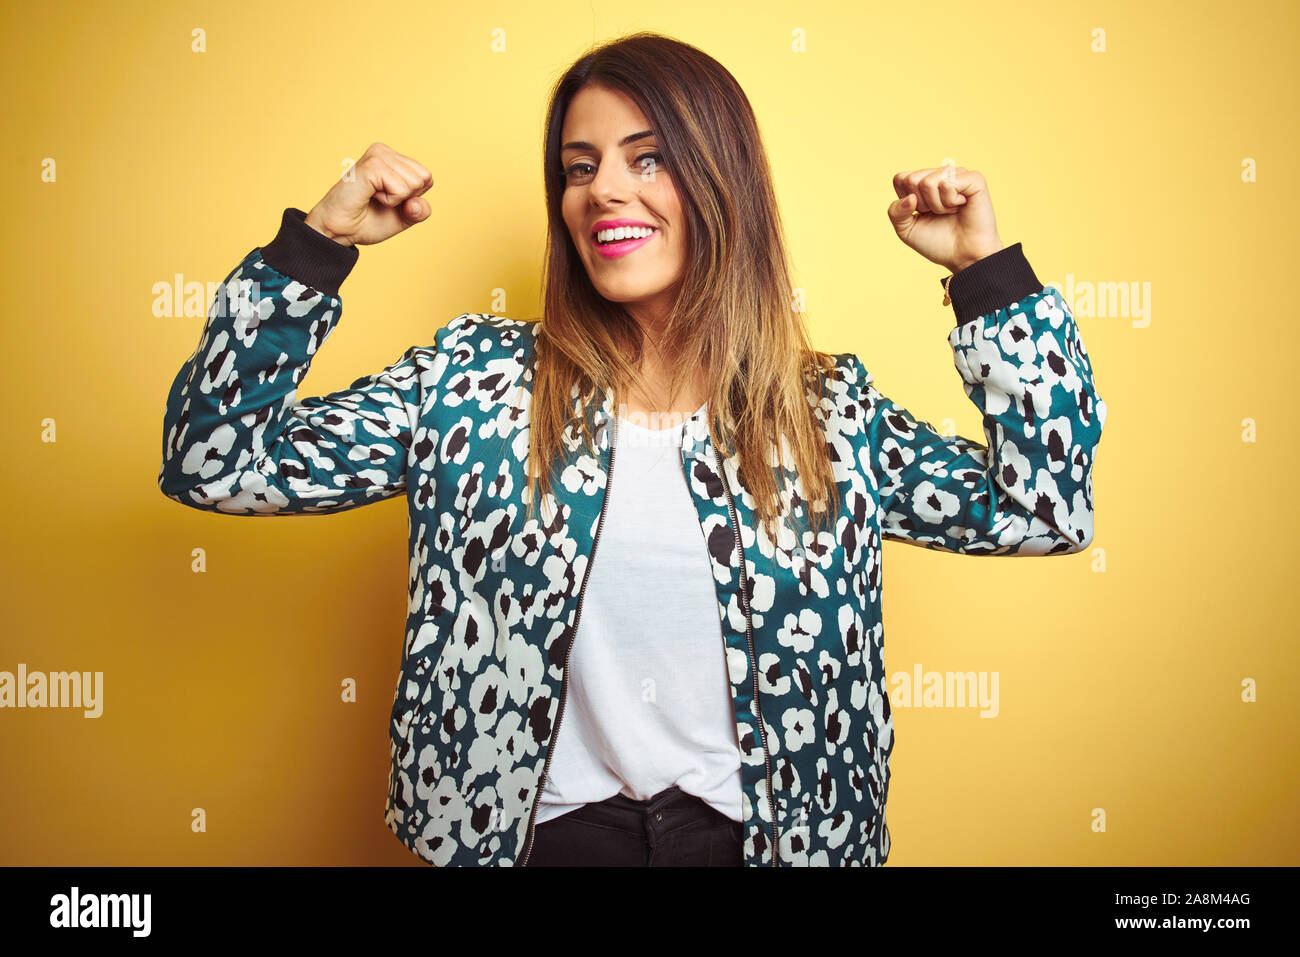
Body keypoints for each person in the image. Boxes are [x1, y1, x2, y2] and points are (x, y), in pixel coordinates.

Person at [157, 31, 1107, 867]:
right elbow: (213, 461)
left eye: (647, 159)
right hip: (539, 843)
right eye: (579, 167)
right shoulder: (470, 384)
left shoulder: (824, 412)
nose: (604, 186)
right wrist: (319, 245)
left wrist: (985, 276)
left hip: (767, 843)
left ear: (719, 182)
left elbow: (1045, 509)